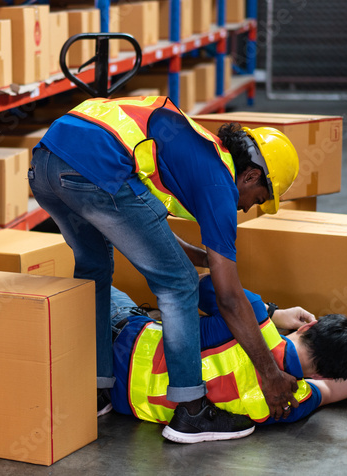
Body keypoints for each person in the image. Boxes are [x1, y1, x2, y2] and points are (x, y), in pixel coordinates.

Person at [28, 95, 301, 443]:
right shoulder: (220, 183)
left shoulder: (198, 151)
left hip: (48, 162)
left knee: (94, 271)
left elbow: (142, 226)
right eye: (258, 199)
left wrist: (204, 256)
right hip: (94, 169)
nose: (248, 208)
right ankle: (191, 409)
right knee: (180, 284)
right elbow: (230, 300)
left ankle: (93, 389)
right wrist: (271, 375)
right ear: (250, 175)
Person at [109, 278, 347, 443]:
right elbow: (333, 391)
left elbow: (199, 287)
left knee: (95, 278)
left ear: (307, 327)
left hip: (121, 338)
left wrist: (273, 313)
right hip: (117, 397)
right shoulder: (290, 402)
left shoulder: (252, 312)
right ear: (321, 376)